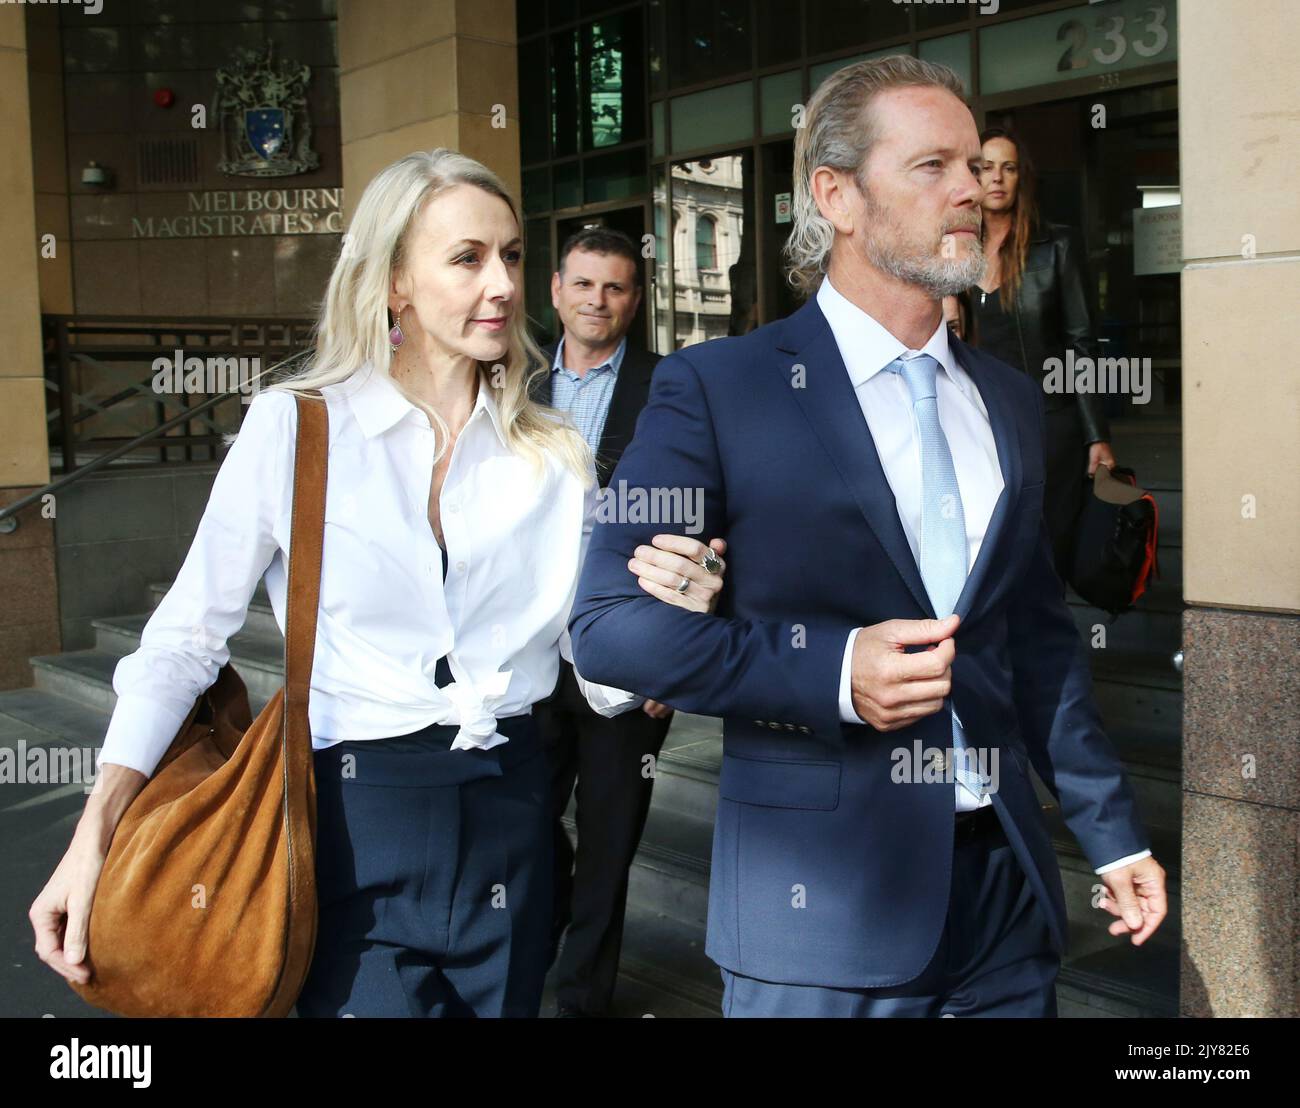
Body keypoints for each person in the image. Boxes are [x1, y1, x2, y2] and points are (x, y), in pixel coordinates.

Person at [29, 148, 727, 1019]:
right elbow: (181, 641)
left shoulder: (552, 456)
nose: (502, 284)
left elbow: (589, 666)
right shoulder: (298, 428)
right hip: (349, 824)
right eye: (467, 259)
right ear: (395, 279)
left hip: (514, 821)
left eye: (510, 255)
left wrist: (663, 627)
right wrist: (93, 837)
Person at [569, 56, 1167, 1018]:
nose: (972, 189)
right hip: (820, 926)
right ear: (836, 195)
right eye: (934, 166)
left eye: (975, 165)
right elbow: (606, 629)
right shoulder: (722, 390)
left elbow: (1041, 643)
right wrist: (832, 671)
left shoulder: (1013, 404)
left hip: (1007, 912)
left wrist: (1114, 833)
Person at [529, 227, 681, 1018]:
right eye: (584, 284)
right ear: (556, 290)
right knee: (523, 820)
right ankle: (543, 936)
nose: (598, 300)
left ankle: (579, 1002)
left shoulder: (671, 386)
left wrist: (674, 656)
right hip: (524, 653)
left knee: (609, 843)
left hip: (626, 653)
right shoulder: (509, 383)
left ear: (634, 298)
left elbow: (703, 519)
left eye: (616, 287)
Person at [945, 126, 1116, 579]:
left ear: (1022, 178)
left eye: (1009, 168)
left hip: (1049, 422)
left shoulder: (1055, 246)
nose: (996, 178)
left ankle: (1045, 645)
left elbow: (1082, 344)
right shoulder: (952, 253)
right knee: (990, 550)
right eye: (984, 168)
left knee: (1048, 551)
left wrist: (1095, 433)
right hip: (977, 423)